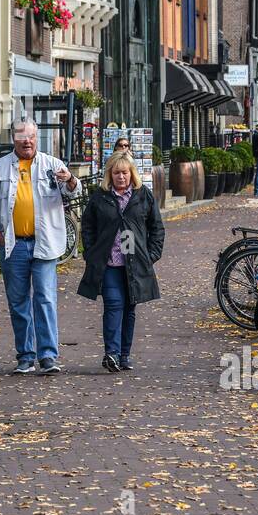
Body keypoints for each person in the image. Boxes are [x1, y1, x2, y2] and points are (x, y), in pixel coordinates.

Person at [0, 120, 79, 375]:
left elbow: (73, 194)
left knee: (45, 298)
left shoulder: (52, 165)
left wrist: (70, 180)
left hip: (44, 242)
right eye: (22, 138)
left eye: (31, 137)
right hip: (13, 245)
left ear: (37, 138)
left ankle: (48, 357)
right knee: (18, 301)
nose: (27, 142)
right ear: (14, 139)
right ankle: (25, 356)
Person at [77, 151, 165, 373]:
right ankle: (112, 353)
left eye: (124, 172)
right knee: (114, 305)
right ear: (110, 175)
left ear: (131, 173)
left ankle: (124, 355)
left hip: (134, 264)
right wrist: (91, 252)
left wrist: (151, 255)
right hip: (109, 264)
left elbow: (157, 228)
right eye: (116, 173)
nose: (121, 177)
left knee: (129, 308)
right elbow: (87, 226)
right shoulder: (100, 197)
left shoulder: (142, 195)